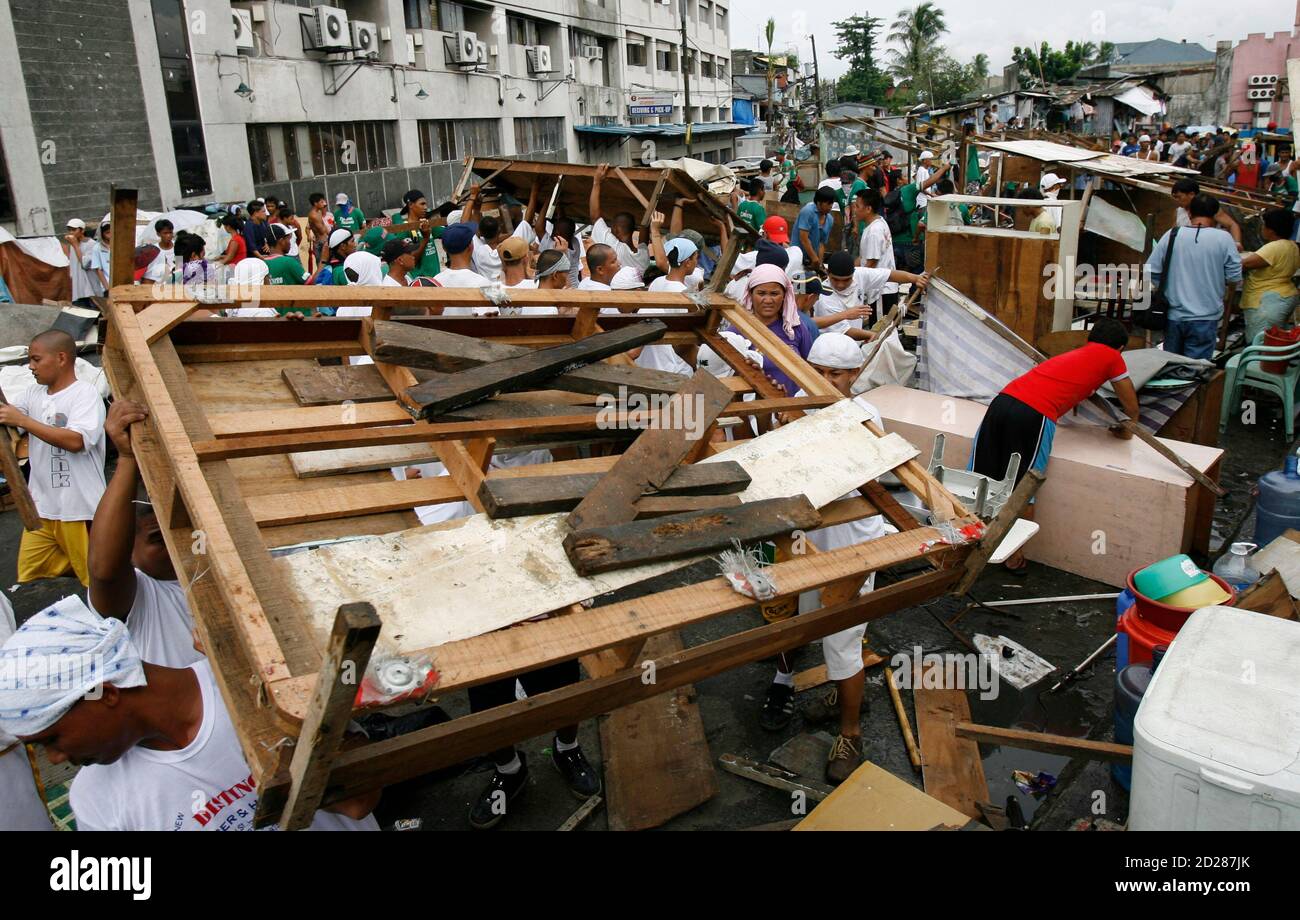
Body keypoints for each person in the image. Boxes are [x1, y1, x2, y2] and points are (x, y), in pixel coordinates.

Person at [0, 595, 380, 831]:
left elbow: (358, 802)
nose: (56, 758)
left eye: (51, 739)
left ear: (106, 693)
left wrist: (268, 718)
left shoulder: (251, 688)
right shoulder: (94, 798)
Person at [765, 333, 892, 782]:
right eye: (818, 371)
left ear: (855, 375)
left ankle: (851, 733)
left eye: (836, 373)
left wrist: (796, 424)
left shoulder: (864, 415)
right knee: (810, 622)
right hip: (810, 541)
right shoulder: (801, 398)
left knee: (840, 641)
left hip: (851, 543)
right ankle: (842, 696)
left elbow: (842, 470)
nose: (825, 380)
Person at [971, 319, 1139, 571]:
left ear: (1088, 339)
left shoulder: (1074, 356)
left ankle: (968, 539)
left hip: (1001, 403)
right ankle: (1014, 556)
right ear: (1121, 347)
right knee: (1025, 486)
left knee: (983, 475)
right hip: (1033, 414)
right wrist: (1131, 424)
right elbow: (1129, 401)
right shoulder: (1112, 357)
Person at [88, 399, 201, 668]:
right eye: (158, 539)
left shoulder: (220, 570)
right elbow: (104, 570)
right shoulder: (141, 597)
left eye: (188, 530)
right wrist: (127, 458)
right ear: (130, 553)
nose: (179, 543)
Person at [0, 330, 105, 587]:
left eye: (36, 359)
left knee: (97, 582)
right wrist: (15, 418)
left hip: (79, 508)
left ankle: (113, 579)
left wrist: (23, 421)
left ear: (61, 358)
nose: (30, 366)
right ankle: (111, 569)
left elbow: (76, 441)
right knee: (32, 567)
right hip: (44, 507)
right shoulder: (33, 394)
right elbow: (9, 415)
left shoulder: (85, 395)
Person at [1147, 193, 1242, 359]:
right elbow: (1234, 277)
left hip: (1173, 316)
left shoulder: (1172, 234)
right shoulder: (1224, 239)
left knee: (1170, 365)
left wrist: (1166, 289)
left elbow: (1151, 271)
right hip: (1206, 317)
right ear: (1215, 216)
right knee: (1196, 370)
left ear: (1189, 212)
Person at [730, 264, 818, 397]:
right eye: (761, 293)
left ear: (784, 295)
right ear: (751, 294)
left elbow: (812, 369)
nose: (768, 300)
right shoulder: (737, 330)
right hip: (753, 412)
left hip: (793, 409)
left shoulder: (795, 328)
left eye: (774, 294)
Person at [814, 250, 928, 341]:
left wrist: (916, 279)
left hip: (853, 346)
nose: (840, 284)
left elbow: (890, 275)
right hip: (832, 347)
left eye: (846, 280)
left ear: (853, 273)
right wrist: (875, 336)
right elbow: (846, 331)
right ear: (828, 274)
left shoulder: (860, 274)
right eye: (835, 279)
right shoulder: (825, 296)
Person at [1239, 208, 1300, 344]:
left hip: (1267, 300)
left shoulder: (1274, 247)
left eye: (1264, 225)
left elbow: (1243, 264)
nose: (1262, 228)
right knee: (1273, 344)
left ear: (1271, 229)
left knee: (1260, 345)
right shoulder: (1292, 245)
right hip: (1283, 296)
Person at [588, 164, 652, 279]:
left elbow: (595, 218)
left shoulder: (615, 248)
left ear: (616, 230)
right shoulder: (643, 255)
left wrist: (596, 182)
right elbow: (643, 241)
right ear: (633, 229)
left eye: (611, 227)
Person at [1170, 177, 1242, 249]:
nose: (1176, 200)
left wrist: (1237, 243)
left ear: (1191, 194)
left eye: (1179, 197)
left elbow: (1232, 225)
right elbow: (1173, 233)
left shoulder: (1208, 209)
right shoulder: (1178, 212)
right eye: (1175, 197)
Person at [855, 188, 896, 311]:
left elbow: (871, 263)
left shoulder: (874, 231)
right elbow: (863, 258)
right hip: (882, 289)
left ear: (868, 209)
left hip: (881, 292)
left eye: (857, 206)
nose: (855, 210)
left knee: (879, 329)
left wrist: (856, 283)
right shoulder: (878, 223)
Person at [795, 187, 837, 275]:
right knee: (799, 286)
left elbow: (821, 244)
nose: (830, 206)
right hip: (798, 257)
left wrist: (819, 263)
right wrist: (815, 259)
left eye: (831, 203)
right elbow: (804, 239)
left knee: (813, 284)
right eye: (828, 203)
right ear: (819, 202)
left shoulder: (829, 219)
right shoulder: (807, 211)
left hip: (812, 261)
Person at [62, 218, 103, 307]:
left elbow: (85, 264)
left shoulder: (91, 244)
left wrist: (76, 245)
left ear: (82, 230)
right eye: (70, 230)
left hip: (90, 285)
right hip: (78, 286)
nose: (71, 232)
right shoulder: (73, 245)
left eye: (74, 230)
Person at [471, 215, 506, 283]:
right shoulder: (507, 250)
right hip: (505, 289)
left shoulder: (478, 250)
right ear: (499, 230)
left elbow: (475, 236)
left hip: (486, 289)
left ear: (480, 232)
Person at [142, 219, 176, 283]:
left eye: (170, 232)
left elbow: (180, 269)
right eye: (165, 233)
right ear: (158, 234)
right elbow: (149, 274)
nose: (168, 236)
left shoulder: (178, 247)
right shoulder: (153, 250)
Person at [307, 192, 332, 267]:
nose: (323, 203)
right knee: (322, 265)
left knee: (329, 263)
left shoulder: (319, 212)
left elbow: (324, 226)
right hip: (320, 243)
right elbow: (322, 230)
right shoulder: (313, 215)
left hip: (324, 240)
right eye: (321, 202)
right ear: (315, 203)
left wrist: (331, 235)